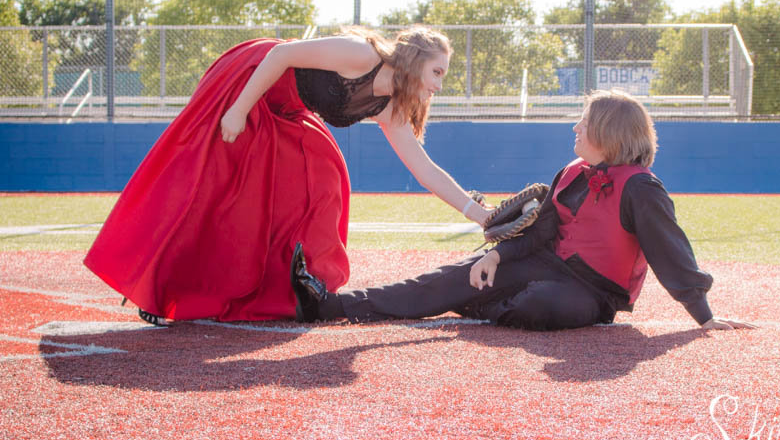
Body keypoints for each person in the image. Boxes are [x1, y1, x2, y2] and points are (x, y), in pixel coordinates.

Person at [84, 26, 491, 325]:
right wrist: (238, 111)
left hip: (286, 112)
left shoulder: (388, 106)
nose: (439, 85)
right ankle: (156, 290)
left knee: (324, 176)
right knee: (207, 185)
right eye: (437, 73)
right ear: (416, 63)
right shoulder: (361, 54)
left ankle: (296, 285)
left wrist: (479, 214)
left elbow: (423, 170)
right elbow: (281, 56)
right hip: (250, 80)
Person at [291, 89, 755, 332]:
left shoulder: (642, 189)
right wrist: (497, 255)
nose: (575, 128)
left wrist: (703, 313)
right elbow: (541, 231)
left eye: (585, 123)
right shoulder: (572, 170)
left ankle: (477, 306)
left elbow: (670, 252)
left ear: (610, 134)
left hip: (593, 293)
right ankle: (328, 305)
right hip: (543, 262)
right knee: (452, 276)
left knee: (543, 304)